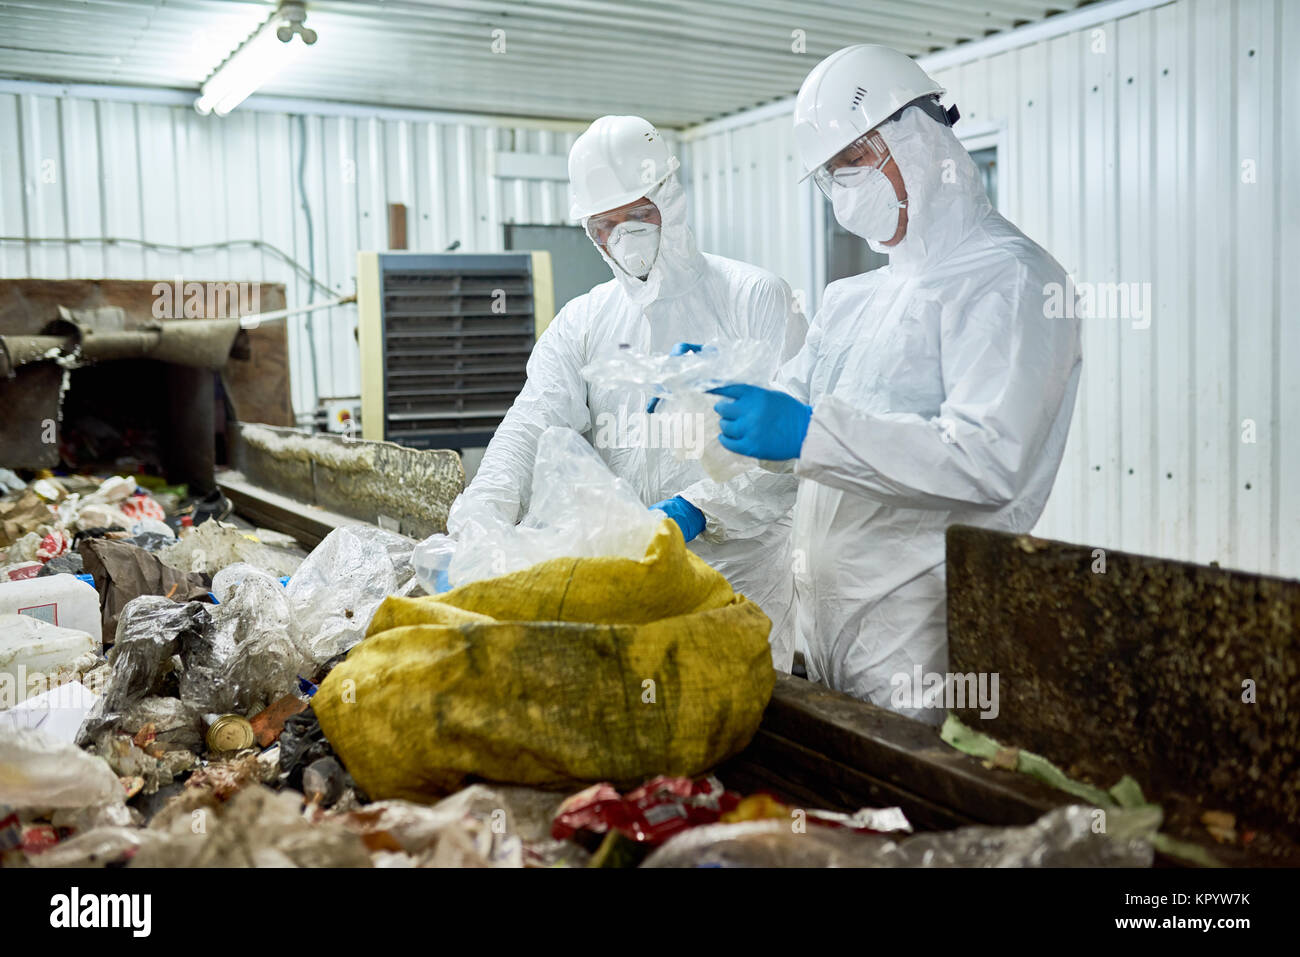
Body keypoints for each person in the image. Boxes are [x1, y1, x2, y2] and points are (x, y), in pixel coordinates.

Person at [703, 45, 1083, 721]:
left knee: (904, 813)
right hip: (817, 622)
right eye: (833, 174)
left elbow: (988, 459)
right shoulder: (852, 298)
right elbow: (779, 417)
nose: (845, 189)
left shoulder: (1014, 279)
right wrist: (699, 400)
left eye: (854, 161)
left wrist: (809, 431)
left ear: (919, 139)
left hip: (921, 637)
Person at [447, 115, 807, 667]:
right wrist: (483, 515)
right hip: (627, 576)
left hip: (739, 580)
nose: (624, 239)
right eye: (603, 226)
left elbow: (789, 455)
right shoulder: (584, 320)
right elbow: (533, 420)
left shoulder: (755, 298)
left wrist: (694, 509)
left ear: (672, 199)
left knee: (742, 717)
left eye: (638, 215)